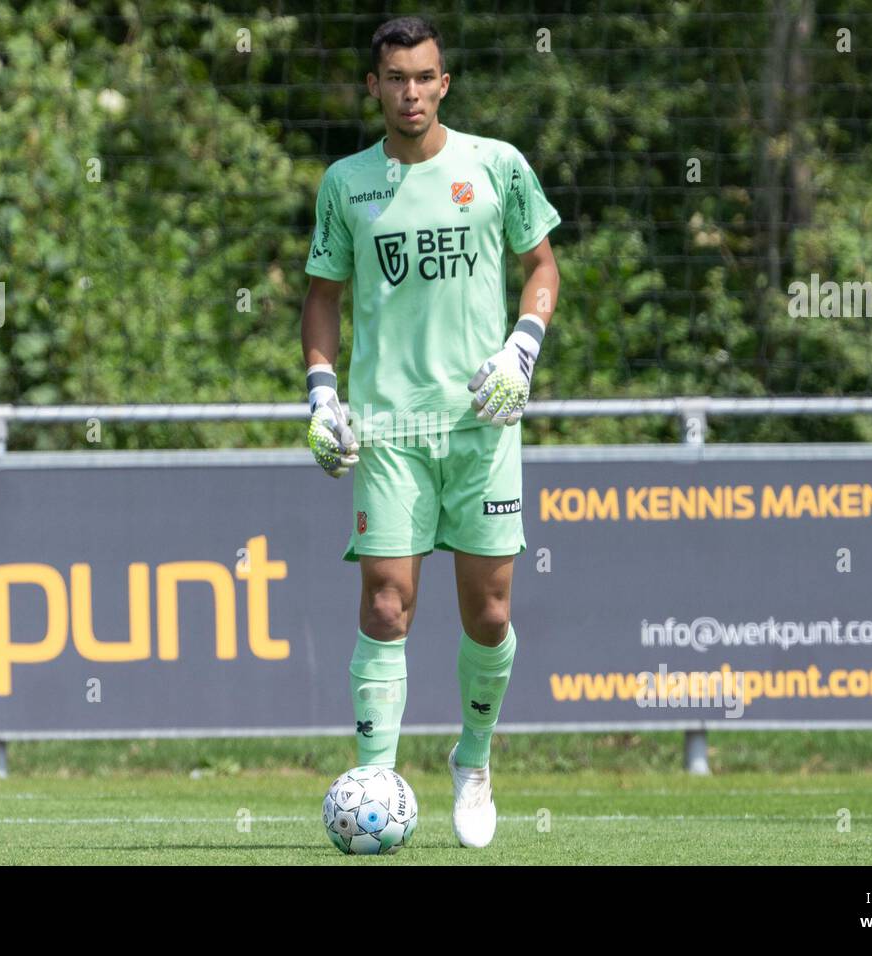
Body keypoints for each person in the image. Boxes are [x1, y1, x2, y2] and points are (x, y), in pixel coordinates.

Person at [299, 15, 561, 848]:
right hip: (387, 429)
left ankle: (473, 760)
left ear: (444, 82)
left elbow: (543, 267)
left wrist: (524, 348)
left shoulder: (497, 166)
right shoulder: (346, 183)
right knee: (385, 603)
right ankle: (375, 774)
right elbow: (322, 296)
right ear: (372, 86)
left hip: (482, 424)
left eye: (424, 76)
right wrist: (320, 396)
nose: (409, 91)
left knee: (488, 614)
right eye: (394, 78)